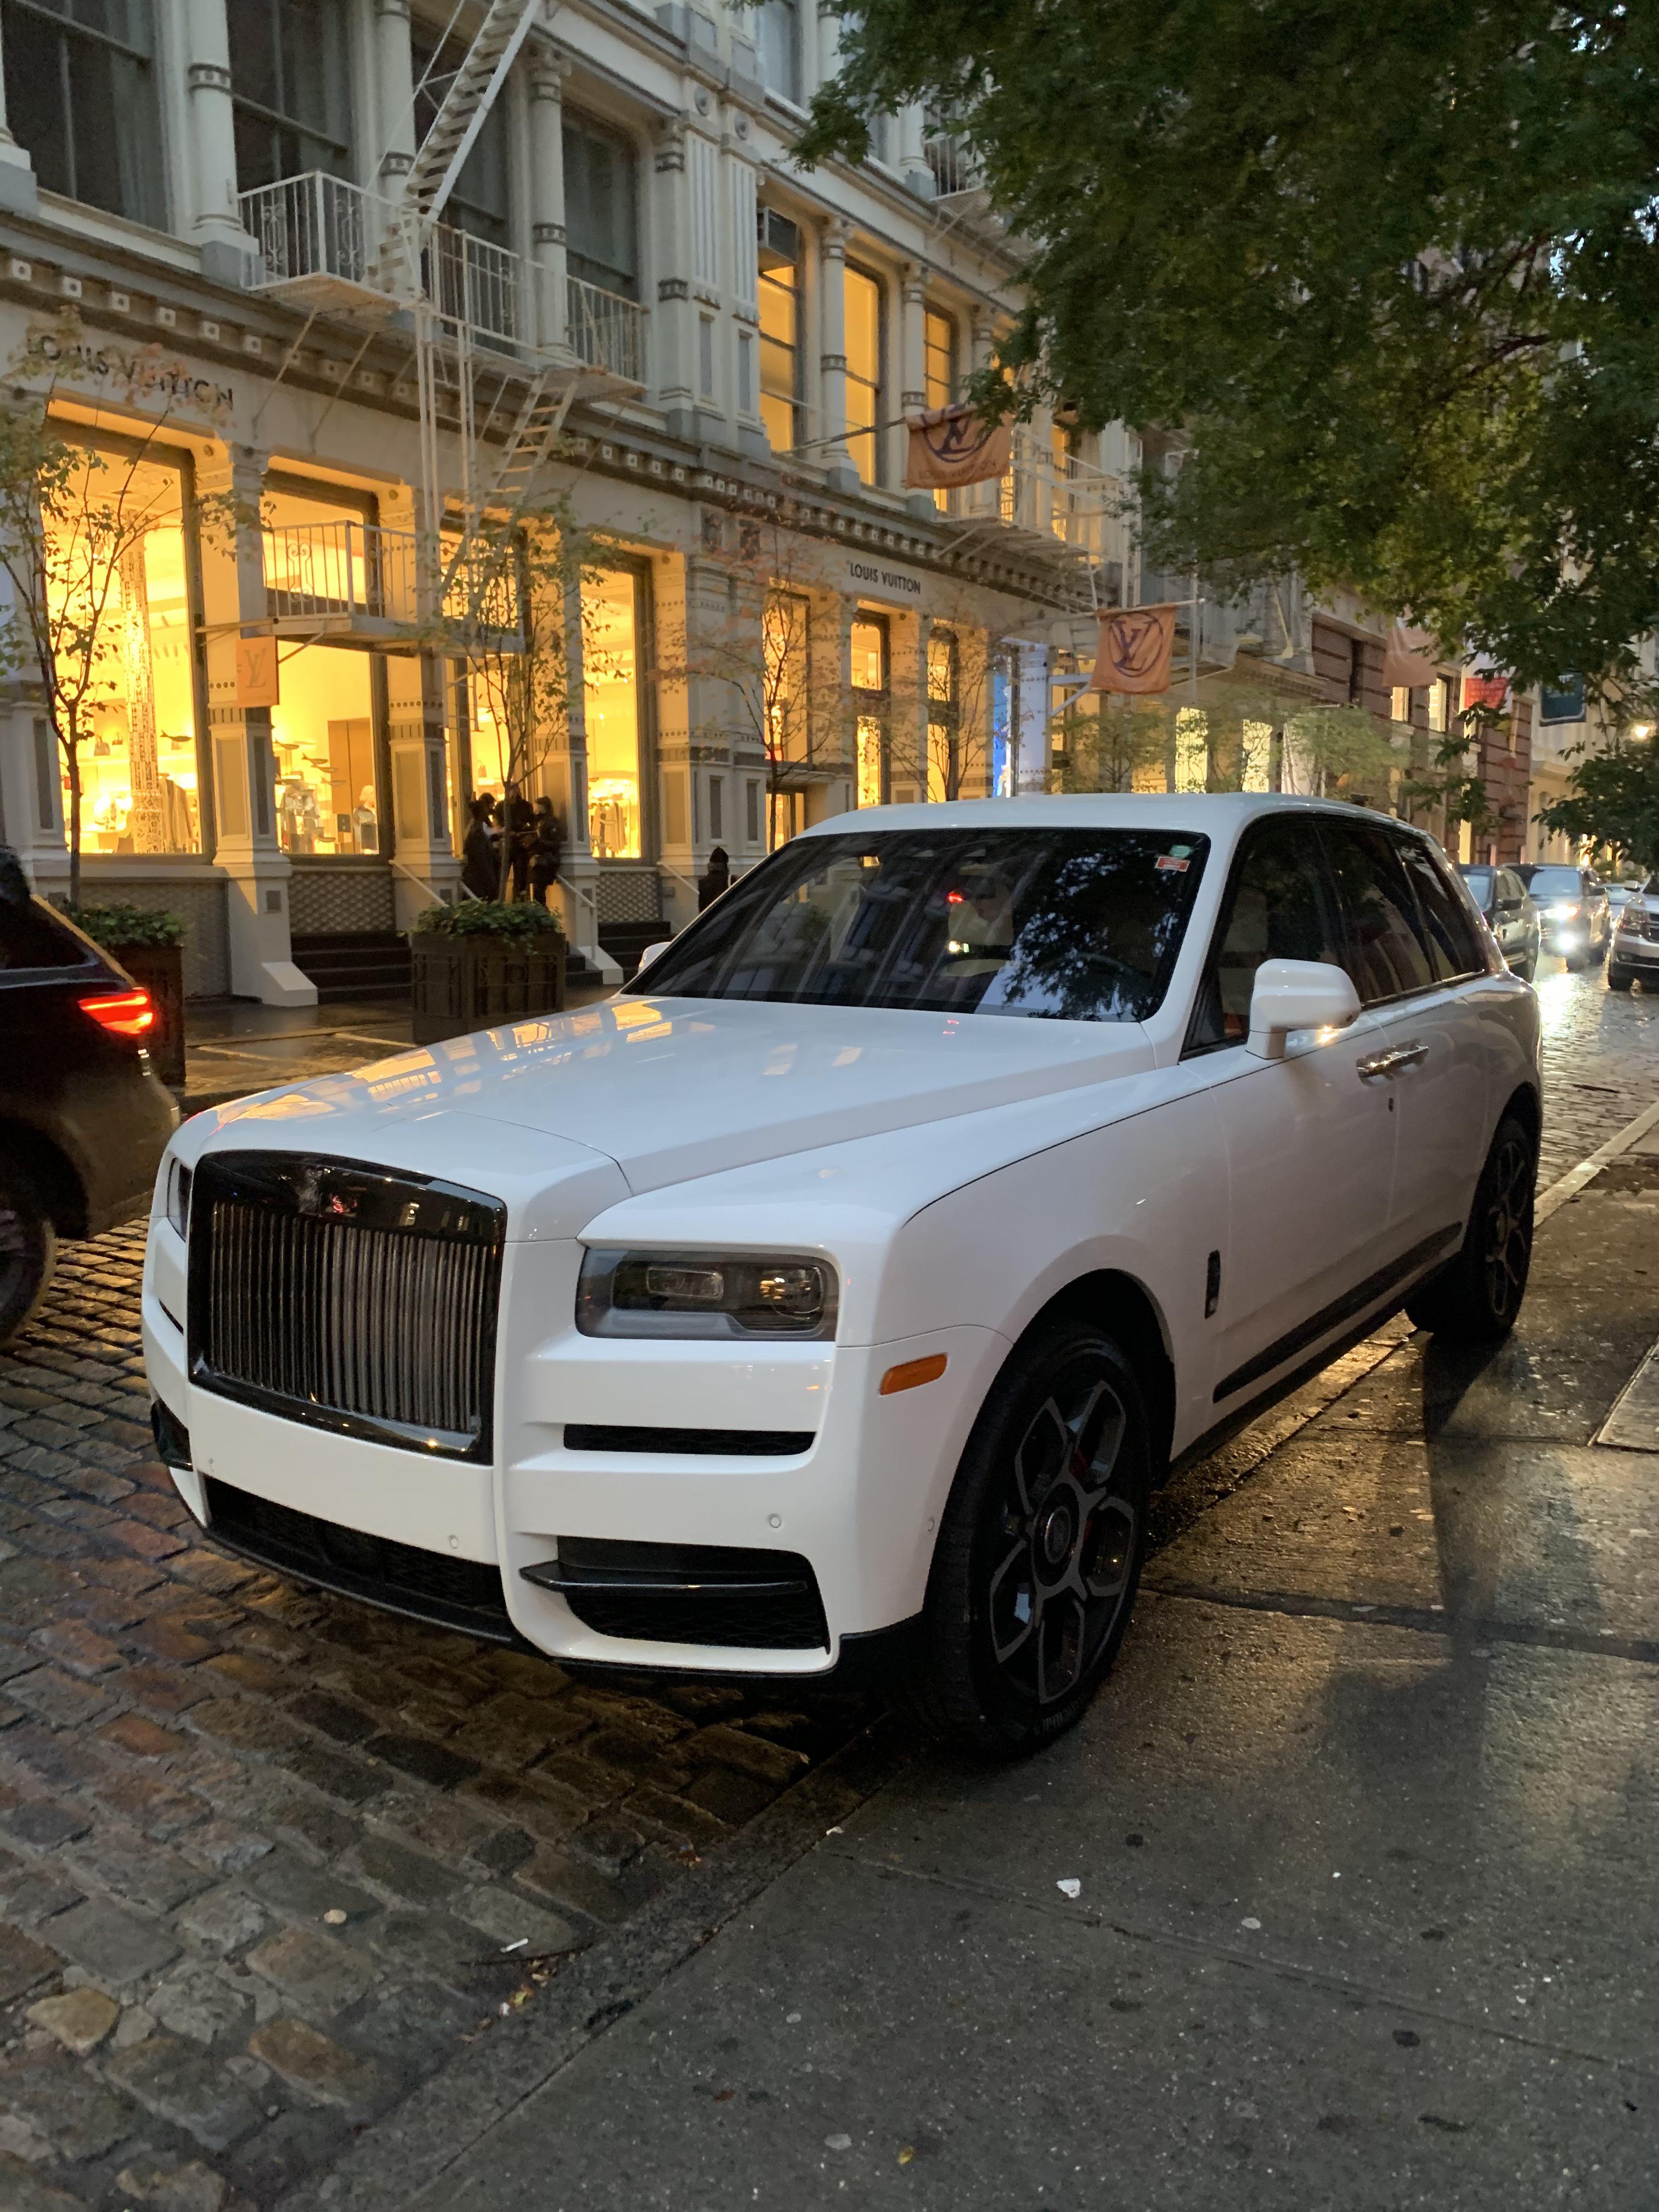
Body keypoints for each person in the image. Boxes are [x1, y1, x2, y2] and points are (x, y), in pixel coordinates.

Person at [500, 780, 534, 900]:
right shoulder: (502, 806)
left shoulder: (525, 806)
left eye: (516, 789)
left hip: (521, 844)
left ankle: (519, 899)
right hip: (507, 844)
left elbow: (532, 823)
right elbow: (499, 825)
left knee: (521, 875)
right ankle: (502, 899)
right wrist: (506, 832)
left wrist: (525, 832)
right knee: (503, 875)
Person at [461, 794, 500, 902]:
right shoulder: (477, 833)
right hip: (479, 880)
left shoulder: (476, 829)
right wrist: (491, 881)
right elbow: (482, 859)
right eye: (486, 810)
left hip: (479, 878)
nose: (488, 812)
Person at [528, 797, 563, 909]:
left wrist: (539, 839)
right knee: (537, 894)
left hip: (546, 862)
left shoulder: (552, 823)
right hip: (538, 861)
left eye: (538, 807)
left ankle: (543, 916)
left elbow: (555, 844)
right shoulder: (538, 822)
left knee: (539, 894)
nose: (536, 811)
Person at [698, 845, 731, 911]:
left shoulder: (703, 882)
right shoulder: (730, 880)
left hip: (711, 919)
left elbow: (701, 909)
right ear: (725, 864)